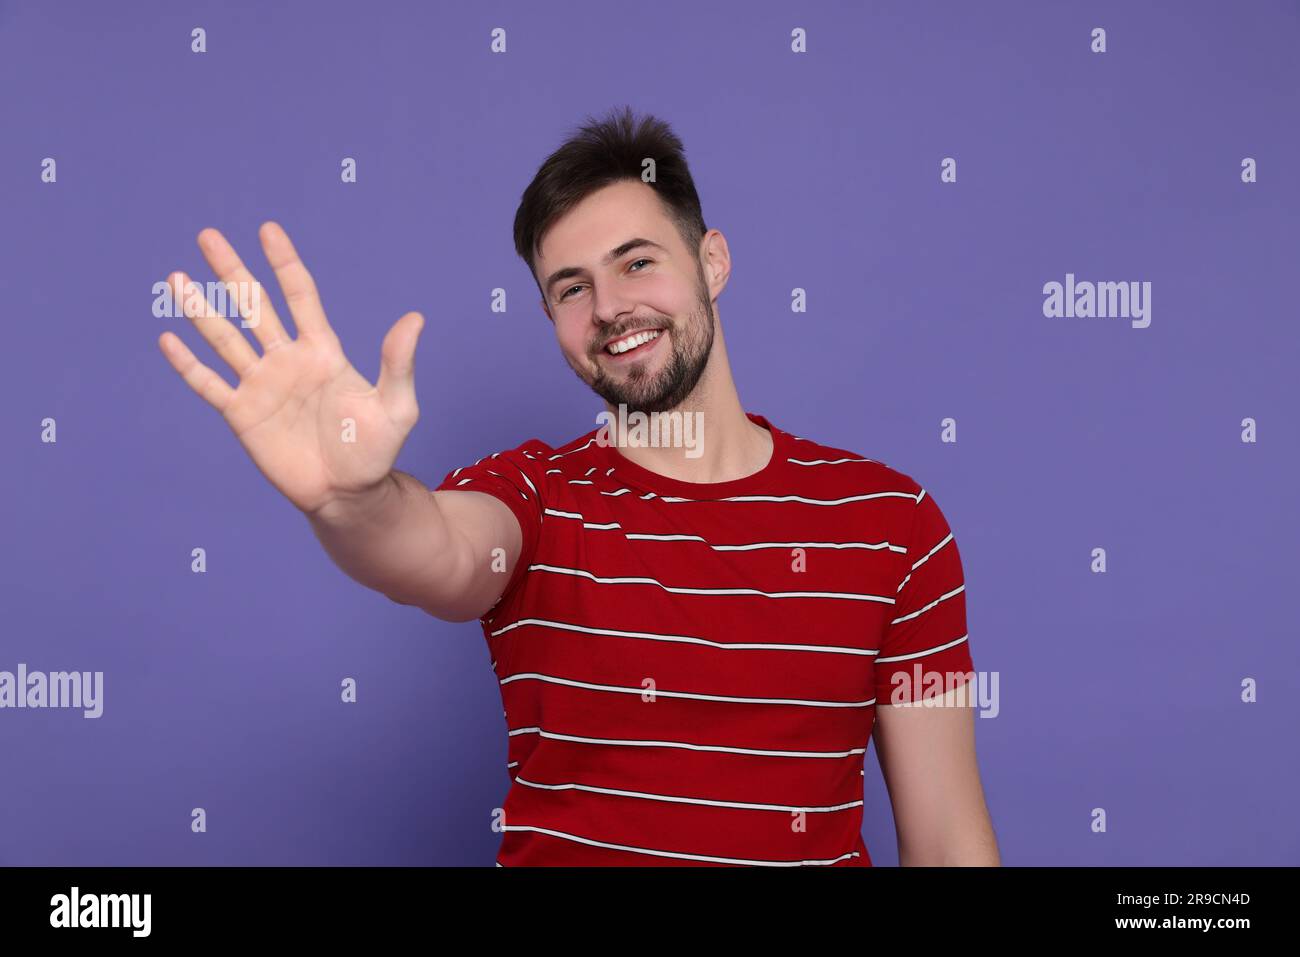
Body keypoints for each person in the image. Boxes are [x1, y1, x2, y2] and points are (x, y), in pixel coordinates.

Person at [157, 106, 1000, 867]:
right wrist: (351, 500)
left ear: (712, 262)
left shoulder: (891, 522)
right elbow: (438, 552)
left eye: (637, 262)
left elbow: (949, 840)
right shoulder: (534, 493)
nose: (609, 307)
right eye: (571, 288)